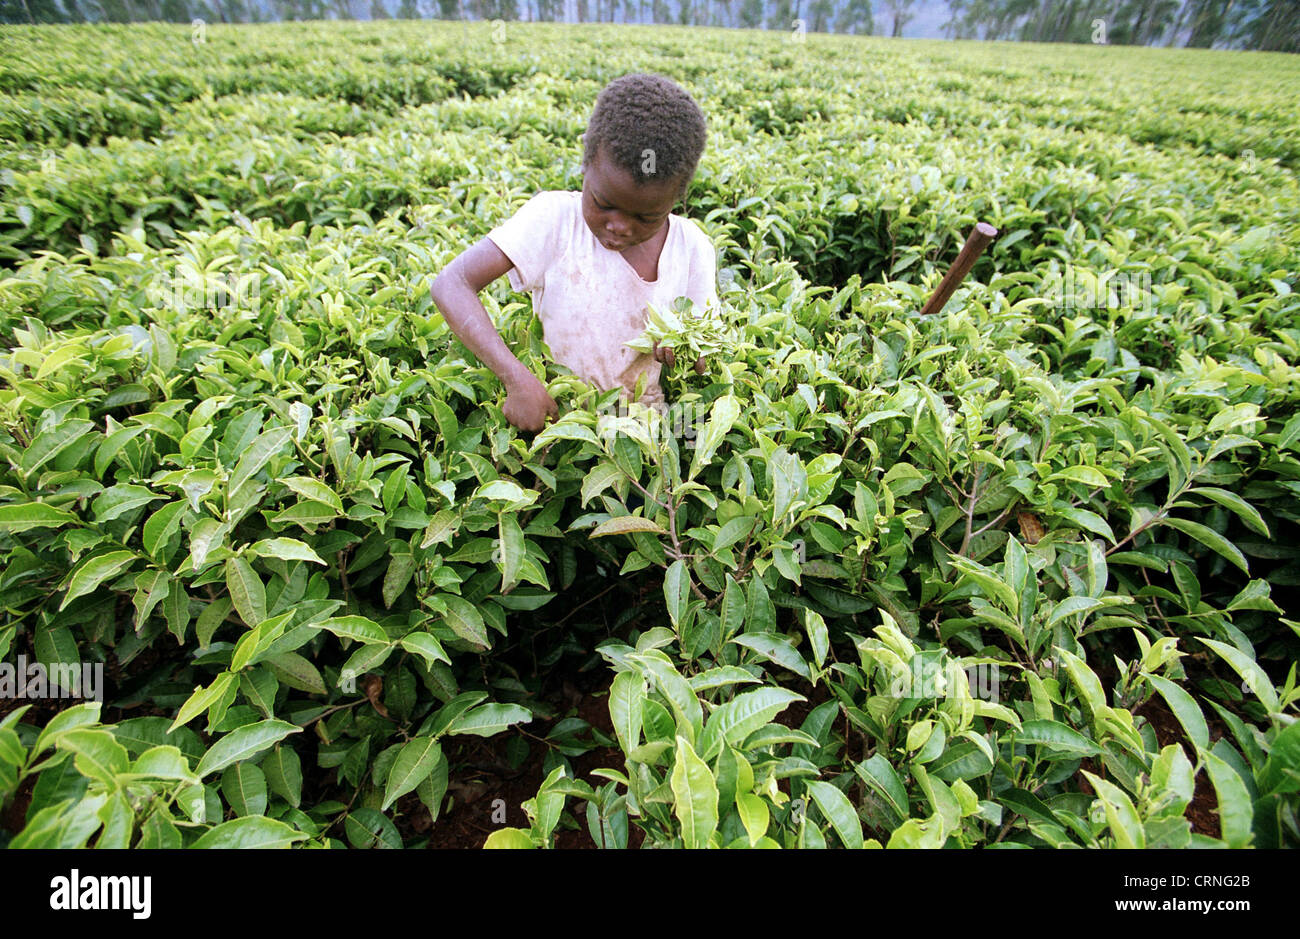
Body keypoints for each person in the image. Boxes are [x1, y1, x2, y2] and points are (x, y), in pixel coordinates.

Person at [429, 72, 719, 432]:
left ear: (679, 196)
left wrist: (681, 345)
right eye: (604, 203)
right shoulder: (554, 220)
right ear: (586, 161)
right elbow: (452, 283)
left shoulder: (692, 248)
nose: (620, 226)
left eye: (647, 217)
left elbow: (705, 357)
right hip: (551, 417)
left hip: (646, 431)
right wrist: (516, 378)